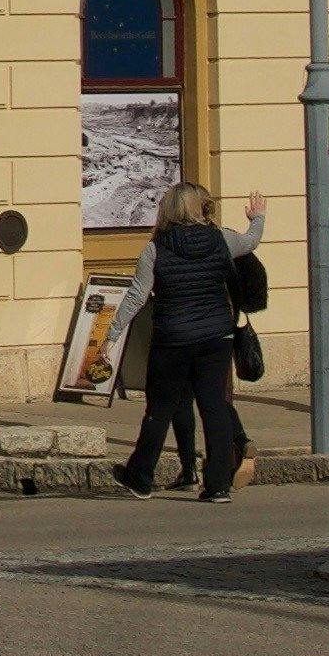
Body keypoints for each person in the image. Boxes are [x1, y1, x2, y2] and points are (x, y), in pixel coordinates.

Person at [112, 183, 266, 502]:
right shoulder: (221, 238)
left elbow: (137, 296)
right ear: (200, 207)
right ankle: (218, 485)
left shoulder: (154, 249)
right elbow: (251, 241)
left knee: (160, 409)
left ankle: (141, 476)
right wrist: (258, 218)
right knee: (216, 408)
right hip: (217, 336)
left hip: (173, 338)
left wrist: (112, 332)